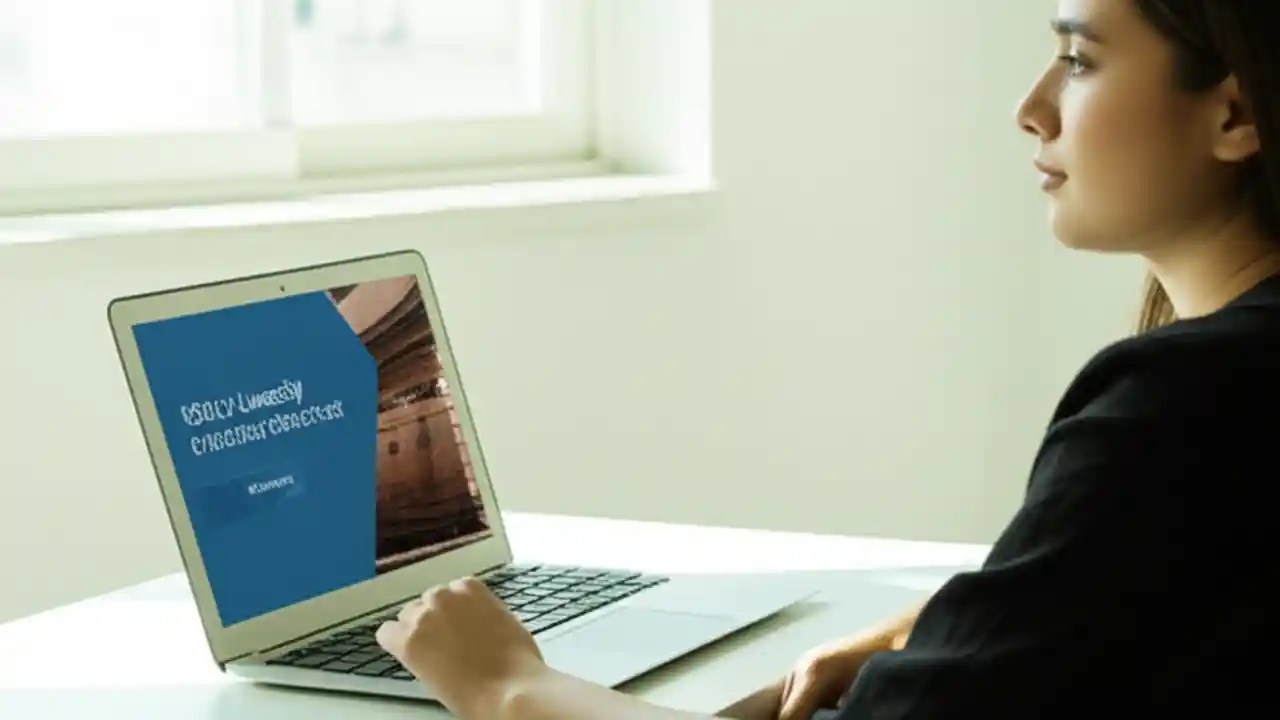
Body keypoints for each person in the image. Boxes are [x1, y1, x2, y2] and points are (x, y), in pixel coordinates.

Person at [373, 1, 1280, 717]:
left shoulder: (1182, 404)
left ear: (1235, 111)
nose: (1031, 108)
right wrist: (955, 628)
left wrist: (509, 687)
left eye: (1079, 60)